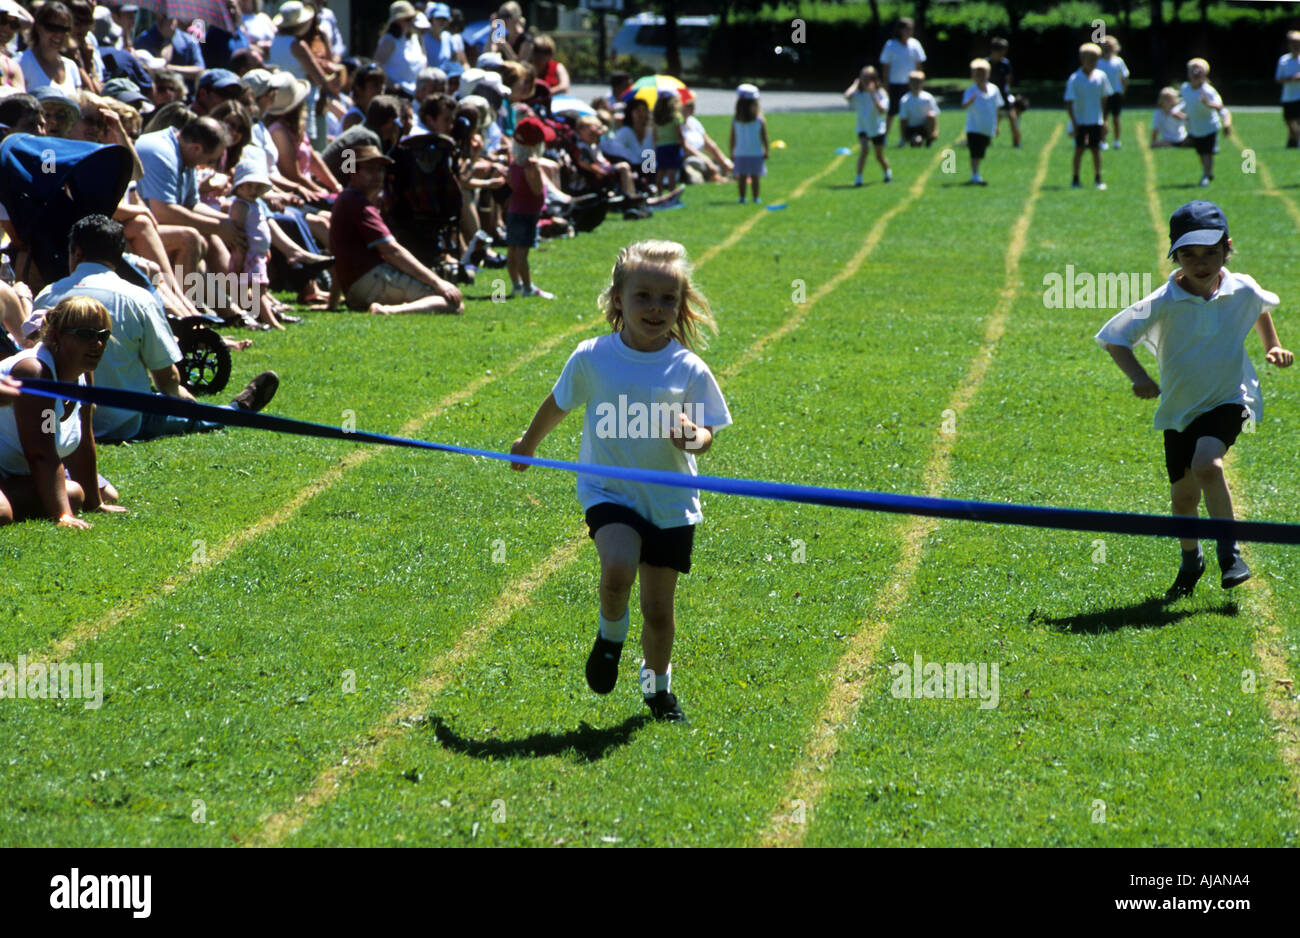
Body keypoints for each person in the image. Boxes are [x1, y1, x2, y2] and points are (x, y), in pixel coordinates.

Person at [508, 239, 732, 722]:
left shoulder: (687, 368)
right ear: (618, 300)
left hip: (669, 502)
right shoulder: (593, 357)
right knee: (616, 566)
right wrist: (529, 443)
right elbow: (560, 402)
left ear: (681, 304)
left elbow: (709, 433)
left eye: (667, 299)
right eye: (643, 296)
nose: (656, 308)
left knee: (657, 610)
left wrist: (694, 437)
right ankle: (610, 639)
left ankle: (658, 688)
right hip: (607, 492)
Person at [1095, 201, 1293, 599]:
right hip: (1179, 410)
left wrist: (1273, 347)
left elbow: (1259, 308)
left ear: (1228, 248)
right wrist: (1139, 378)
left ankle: (1230, 554)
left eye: (1210, 253)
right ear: (1174, 254)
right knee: (1183, 498)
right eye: (1188, 254)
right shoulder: (1163, 301)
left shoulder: (1241, 287)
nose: (1200, 264)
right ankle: (1191, 559)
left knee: (1208, 463)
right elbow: (1113, 338)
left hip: (1228, 398)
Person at [28, 214, 278, 442]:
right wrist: (183, 401)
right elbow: (166, 377)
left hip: (63, 423)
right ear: (119, 255)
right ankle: (232, 412)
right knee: (188, 414)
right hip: (127, 423)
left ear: (77, 252)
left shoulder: (46, 296)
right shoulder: (138, 299)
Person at [0, 296, 126, 527]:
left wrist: (95, 503)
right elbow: (40, 450)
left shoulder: (83, 372)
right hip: (13, 468)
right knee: (3, 513)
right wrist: (64, 515)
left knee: (98, 494)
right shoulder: (34, 371)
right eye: (85, 335)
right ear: (56, 337)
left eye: (103, 336)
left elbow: (83, 443)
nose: (97, 344)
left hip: (19, 473)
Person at [328, 144, 463, 314]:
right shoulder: (357, 203)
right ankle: (389, 311)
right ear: (353, 171)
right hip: (370, 281)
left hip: (356, 289)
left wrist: (332, 304)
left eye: (380, 170)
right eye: (370, 169)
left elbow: (339, 255)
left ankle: (388, 308)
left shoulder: (347, 199)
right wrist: (438, 282)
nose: (378, 175)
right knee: (452, 304)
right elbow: (392, 250)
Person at [505, 115, 552, 299]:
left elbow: (511, 183)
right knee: (522, 253)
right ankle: (527, 287)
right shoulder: (530, 166)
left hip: (514, 211)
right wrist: (537, 173)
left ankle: (516, 284)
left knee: (512, 250)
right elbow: (536, 190)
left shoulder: (514, 163)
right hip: (527, 213)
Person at [1065, 42, 1111, 190]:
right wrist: (1074, 122)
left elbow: (1104, 99)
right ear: (1082, 59)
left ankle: (1098, 178)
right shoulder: (1075, 78)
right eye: (1090, 60)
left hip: (1095, 120)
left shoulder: (1101, 77)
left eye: (1095, 60)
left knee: (1095, 150)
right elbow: (1069, 102)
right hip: (1081, 121)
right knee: (1079, 150)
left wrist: (1104, 120)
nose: (1093, 63)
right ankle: (1075, 178)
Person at [19, 2, 87, 94]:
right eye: (52, 27)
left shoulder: (71, 67)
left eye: (64, 29)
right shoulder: (21, 62)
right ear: (38, 28)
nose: (58, 34)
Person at [879, 17, 925, 144]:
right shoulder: (891, 45)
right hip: (895, 84)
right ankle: (884, 137)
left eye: (911, 29)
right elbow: (886, 66)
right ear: (900, 30)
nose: (910, 32)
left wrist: (920, 82)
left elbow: (919, 65)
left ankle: (903, 137)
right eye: (907, 29)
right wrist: (885, 84)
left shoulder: (915, 45)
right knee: (892, 112)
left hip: (910, 84)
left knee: (906, 113)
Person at [1182, 57, 1225, 188]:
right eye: (1192, 70)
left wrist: (1207, 103)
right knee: (1201, 153)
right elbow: (1185, 104)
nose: (1195, 73)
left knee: (1207, 152)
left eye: (1198, 70)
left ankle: (1205, 175)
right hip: (1195, 127)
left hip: (1209, 126)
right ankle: (1207, 171)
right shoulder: (1185, 88)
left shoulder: (1208, 90)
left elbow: (1219, 106)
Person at [845, 65, 890, 186]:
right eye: (863, 78)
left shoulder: (881, 93)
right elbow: (847, 96)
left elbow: (882, 110)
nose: (865, 81)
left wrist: (873, 95)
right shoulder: (858, 94)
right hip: (863, 127)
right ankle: (858, 179)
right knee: (864, 150)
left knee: (878, 156)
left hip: (877, 128)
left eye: (868, 78)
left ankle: (887, 172)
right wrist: (855, 84)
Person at [961, 58, 1002, 186]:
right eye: (977, 74)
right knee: (975, 152)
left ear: (988, 74)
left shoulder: (994, 89)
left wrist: (996, 126)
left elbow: (997, 108)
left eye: (983, 74)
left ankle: (976, 174)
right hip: (974, 127)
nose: (980, 77)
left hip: (987, 127)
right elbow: (963, 106)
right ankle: (975, 175)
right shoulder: (971, 91)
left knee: (981, 152)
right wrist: (970, 101)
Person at [374, 1, 426, 96]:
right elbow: (377, 68)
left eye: (412, 19)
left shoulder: (416, 38)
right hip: (397, 94)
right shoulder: (388, 40)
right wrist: (392, 86)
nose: (411, 22)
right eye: (407, 19)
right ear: (397, 21)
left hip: (417, 94)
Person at [134, 15, 204, 85]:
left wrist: (170, 69)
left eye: (170, 18)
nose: (168, 22)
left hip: (184, 91)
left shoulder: (188, 40)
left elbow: (200, 70)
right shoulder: (144, 39)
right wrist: (167, 40)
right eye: (164, 17)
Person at [730, 83, 767, 204]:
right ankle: (756, 198)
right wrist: (766, 150)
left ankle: (742, 197)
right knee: (755, 177)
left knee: (742, 177)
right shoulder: (759, 119)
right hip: (756, 152)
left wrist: (732, 152)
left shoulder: (736, 119)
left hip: (740, 152)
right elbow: (764, 137)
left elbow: (732, 138)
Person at [680, 97, 730, 183]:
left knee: (721, 162)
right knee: (695, 163)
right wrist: (706, 160)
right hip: (687, 159)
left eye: (693, 105)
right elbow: (685, 148)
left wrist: (725, 162)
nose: (692, 108)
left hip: (700, 157)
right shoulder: (677, 125)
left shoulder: (693, 122)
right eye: (688, 105)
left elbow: (709, 144)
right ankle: (715, 178)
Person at [1097, 35, 1129, 150]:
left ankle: (1116, 140)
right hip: (1103, 95)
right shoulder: (1099, 62)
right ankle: (1103, 141)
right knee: (1102, 119)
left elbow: (1124, 76)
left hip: (1116, 93)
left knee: (1116, 118)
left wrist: (1123, 90)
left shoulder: (1118, 61)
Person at [987, 37, 1020, 148]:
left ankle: (1016, 142)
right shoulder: (986, 64)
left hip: (1003, 95)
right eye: (1001, 51)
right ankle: (987, 141)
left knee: (1013, 118)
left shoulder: (1005, 64)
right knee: (992, 120)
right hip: (990, 96)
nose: (1003, 53)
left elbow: (1008, 80)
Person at [651, 89, 684, 198]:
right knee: (671, 173)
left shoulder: (656, 118)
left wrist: (655, 147)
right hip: (673, 147)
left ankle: (659, 194)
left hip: (661, 147)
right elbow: (679, 134)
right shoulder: (676, 117)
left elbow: (654, 135)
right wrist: (683, 145)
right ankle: (672, 194)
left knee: (660, 172)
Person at [897, 70, 938, 148]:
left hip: (924, 127)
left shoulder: (928, 98)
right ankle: (913, 140)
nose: (916, 85)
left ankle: (929, 140)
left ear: (923, 83)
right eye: (914, 82)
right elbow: (903, 120)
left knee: (931, 115)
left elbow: (934, 117)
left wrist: (935, 132)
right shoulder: (905, 100)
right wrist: (902, 138)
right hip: (911, 128)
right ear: (909, 83)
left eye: (918, 82)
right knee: (917, 142)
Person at [1277, 31, 1300, 148]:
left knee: (1297, 124)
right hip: (1288, 97)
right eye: (1293, 43)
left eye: (1297, 43)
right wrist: (1291, 78)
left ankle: (1293, 146)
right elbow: (1278, 79)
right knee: (1290, 122)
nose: (1295, 46)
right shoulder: (1284, 60)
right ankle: (1293, 143)